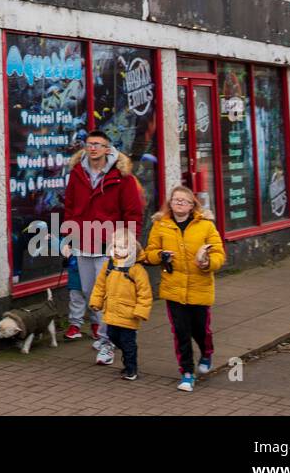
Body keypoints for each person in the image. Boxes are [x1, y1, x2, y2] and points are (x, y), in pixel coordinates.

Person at [60, 130, 145, 366]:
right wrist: (68, 237)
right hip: (84, 242)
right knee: (91, 294)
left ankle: (106, 342)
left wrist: (129, 242)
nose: (93, 148)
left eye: (98, 144)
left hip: (110, 245)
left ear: (108, 149)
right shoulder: (77, 174)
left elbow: (133, 212)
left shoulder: (122, 176)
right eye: (89, 144)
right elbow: (70, 207)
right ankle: (107, 333)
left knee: (108, 294)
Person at [144, 185, 225, 393]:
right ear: (170, 203)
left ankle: (206, 352)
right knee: (180, 332)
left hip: (200, 287)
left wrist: (209, 263)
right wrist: (160, 255)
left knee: (200, 330)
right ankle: (187, 373)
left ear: (192, 205)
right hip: (174, 289)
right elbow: (149, 253)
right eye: (176, 200)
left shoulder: (205, 226)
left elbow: (218, 253)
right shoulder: (161, 224)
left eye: (184, 201)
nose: (179, 203)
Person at [88, 227, 152, 380]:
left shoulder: (136, 269)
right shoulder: (109, 265)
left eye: (123, 247)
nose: (118, 250)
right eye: (115, 246)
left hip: (129, 313)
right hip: (111, 311)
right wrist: (96, 302)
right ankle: (128, 357)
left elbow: (145, 293)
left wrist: (141, 311)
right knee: (112, 336)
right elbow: (100, 285)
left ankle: (131, 369)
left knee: (128, 341)